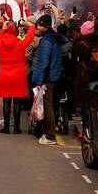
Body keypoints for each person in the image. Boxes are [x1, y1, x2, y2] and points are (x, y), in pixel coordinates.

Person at [30, 15, 64, 144]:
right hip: (54, 75)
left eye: (38, 25)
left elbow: (43, 62)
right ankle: (46, 131)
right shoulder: (55, 38)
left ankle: (50, 135)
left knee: (47, 105)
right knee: (49, 105)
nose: (37, 27)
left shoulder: (46, 40)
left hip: (47, 77)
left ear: (44, 26)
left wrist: (38, 81)